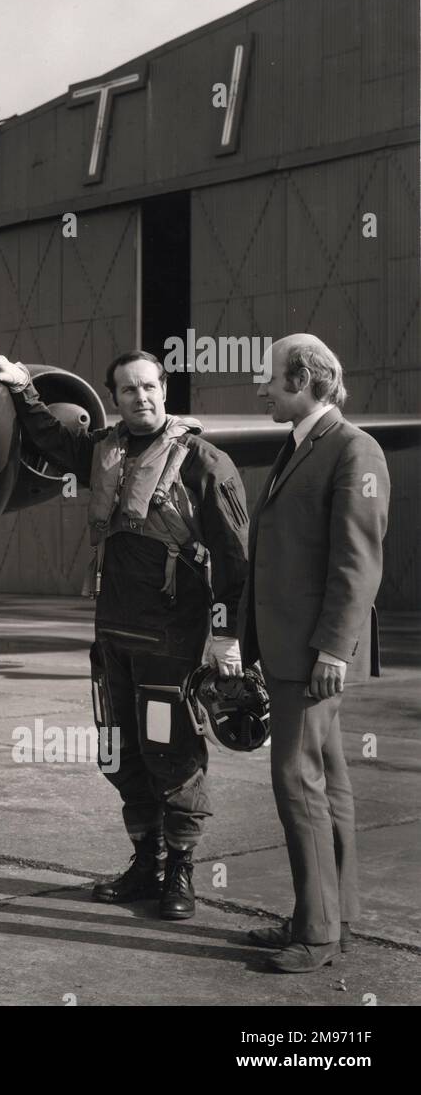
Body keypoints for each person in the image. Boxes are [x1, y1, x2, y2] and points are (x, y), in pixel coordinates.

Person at [0, 344, 250, 919]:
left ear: (165, 390)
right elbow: (51, 438)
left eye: (149, 386)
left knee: (171, 754)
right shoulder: (105, 452)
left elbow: (236, 558)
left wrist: (227, 634)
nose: (140, 397)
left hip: (170, 647)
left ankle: (180, 873)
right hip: (115, 642)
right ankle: (143, 865)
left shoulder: (204, 462)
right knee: (120, 754)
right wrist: (23, 386)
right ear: (116, 398)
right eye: (128, 389)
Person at [239, 334, 388, 972]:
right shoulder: (301, 445)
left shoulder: (355, 450)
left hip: (312, 655)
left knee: (298, 783)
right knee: (327, 782)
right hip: (293, 650)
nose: (260, 388)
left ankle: (319, 936)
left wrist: (333, 649)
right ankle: (328, 916)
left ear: (302, 378)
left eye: (268, 378)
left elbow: (358, 565)